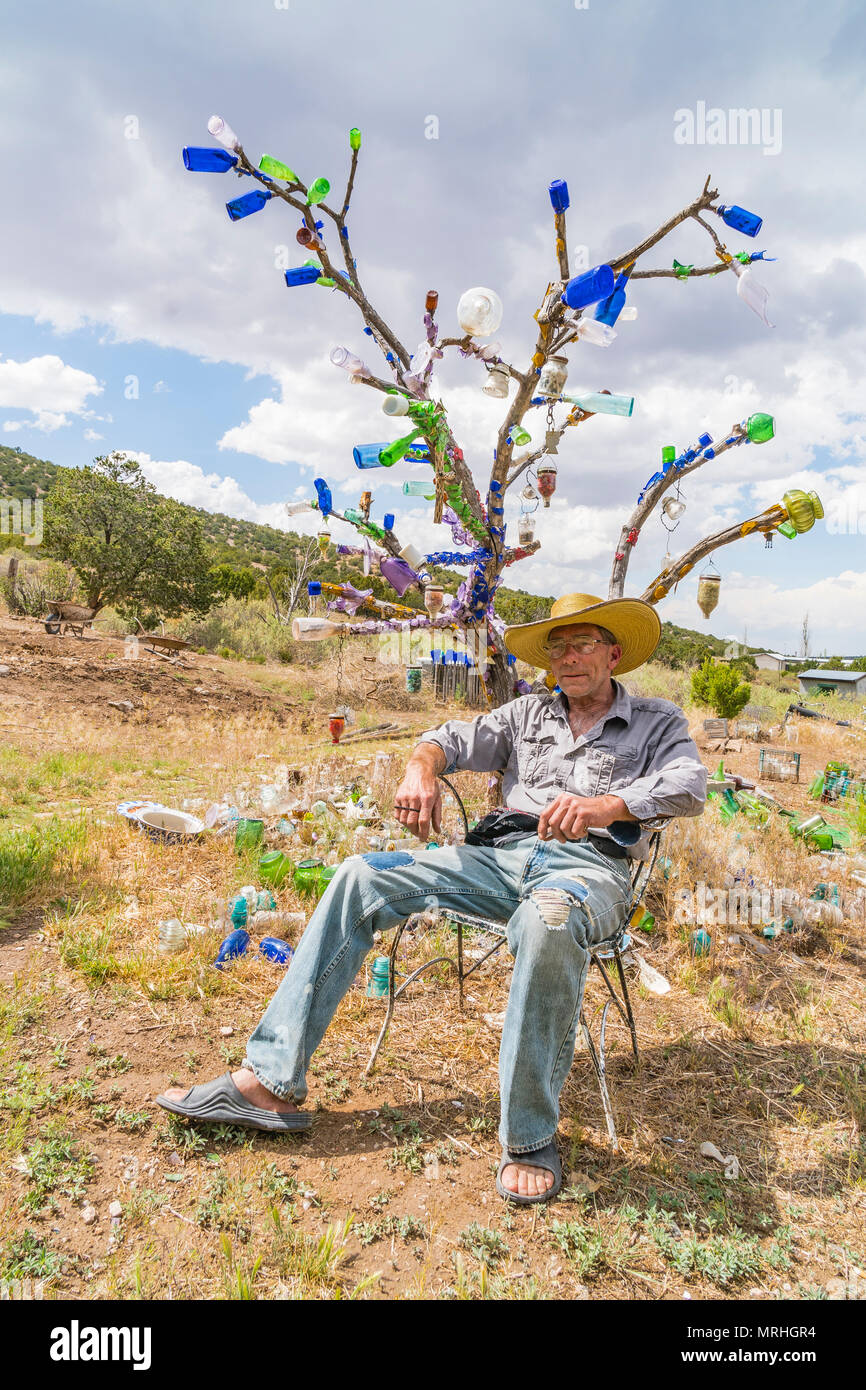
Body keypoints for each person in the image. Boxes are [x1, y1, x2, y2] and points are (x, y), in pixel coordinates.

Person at [158, 592, 706, 1204]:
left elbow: (690, 784)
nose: (568, 657)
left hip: (587, 869)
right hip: (498, 859)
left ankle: (527, 1137)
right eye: (557, 646)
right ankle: (270, 1079)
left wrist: (608, 805)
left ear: (614, 653)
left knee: (546, 920)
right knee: (361, 874)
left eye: (582, 644)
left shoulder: (658, 721)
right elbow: (446, 737)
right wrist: (422, 767)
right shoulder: (525, 714)